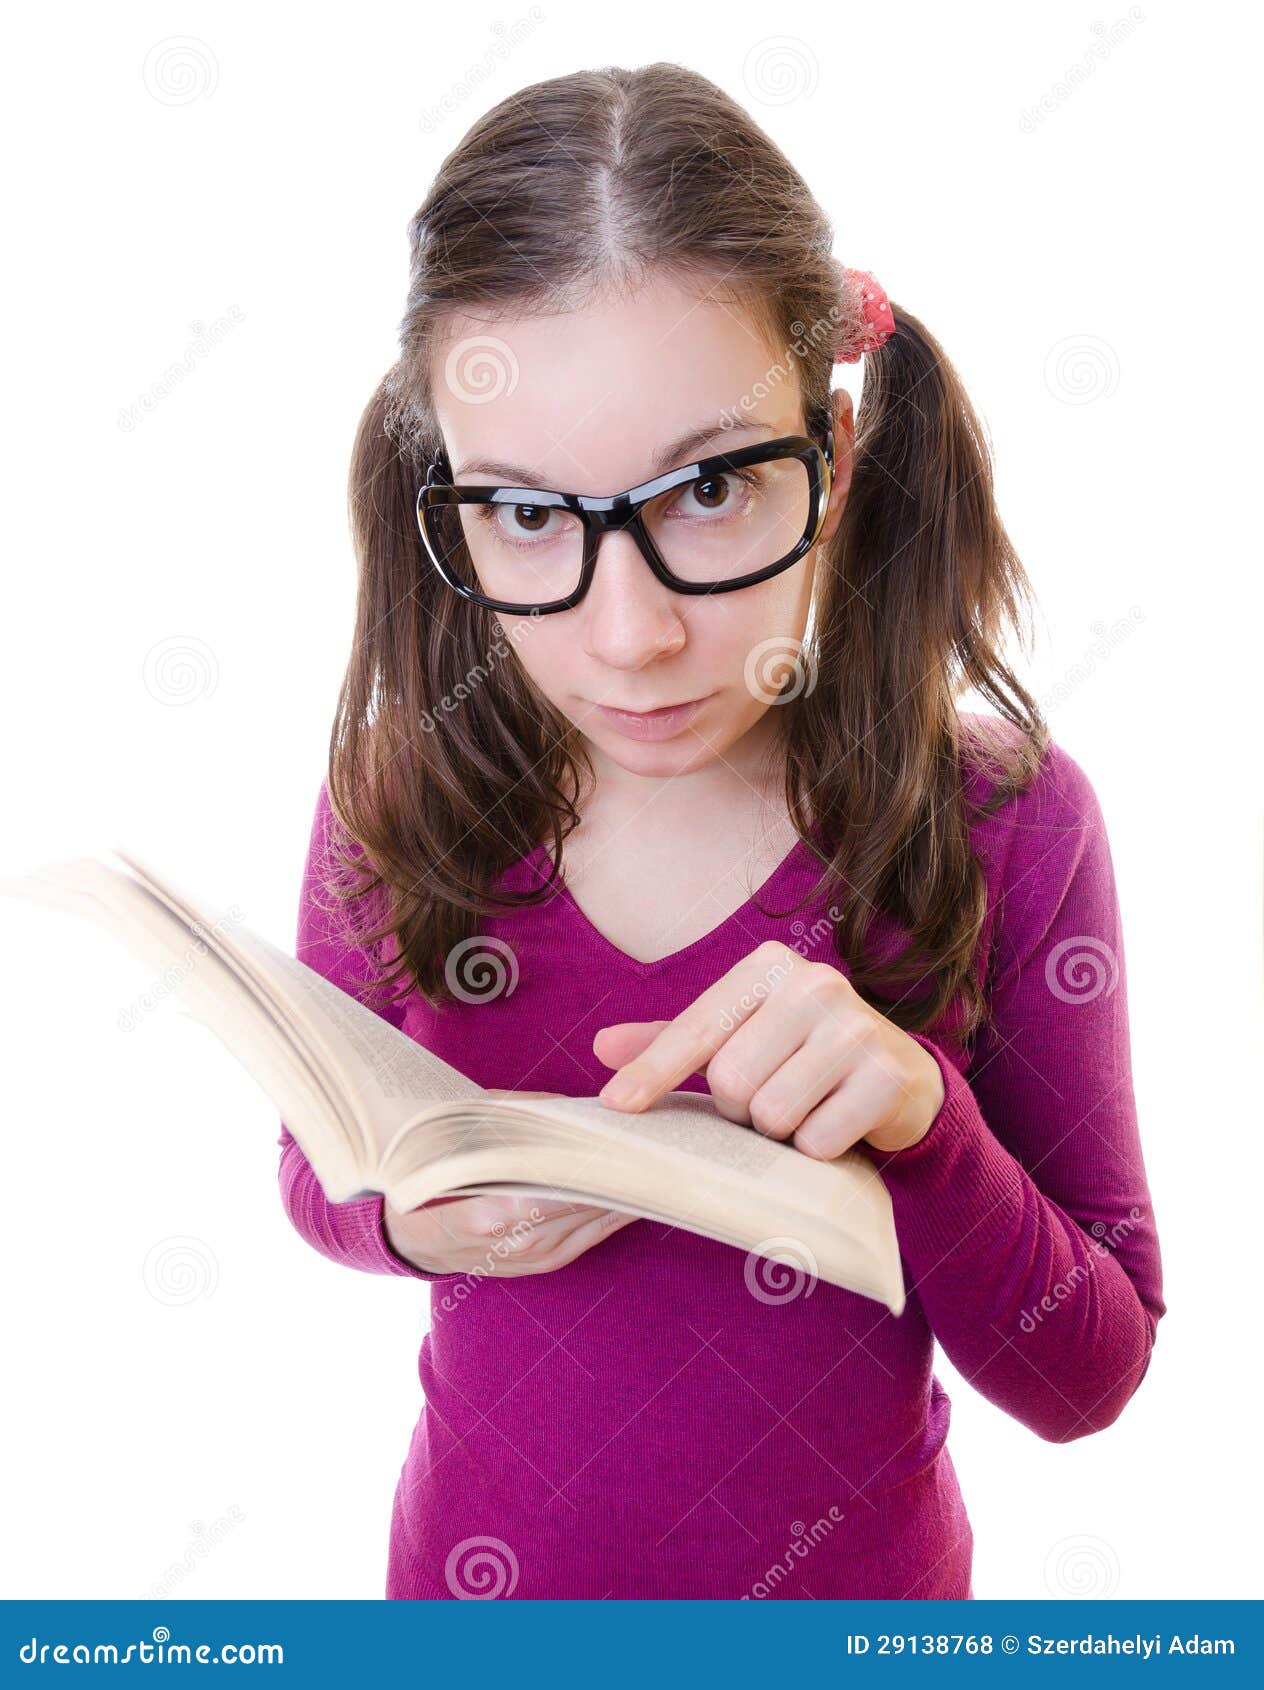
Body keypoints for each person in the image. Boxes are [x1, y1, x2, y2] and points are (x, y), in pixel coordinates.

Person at [276, 61, 1165, 1601]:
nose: (632, 635)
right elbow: (317, 1174)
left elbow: (1088, 1372)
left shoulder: (1006, 821)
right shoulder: (399, 797)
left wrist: (924, 1126)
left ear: (832, 455)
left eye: (707, 491)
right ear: (451, 501)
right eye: (528, 515)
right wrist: (417, 1222)